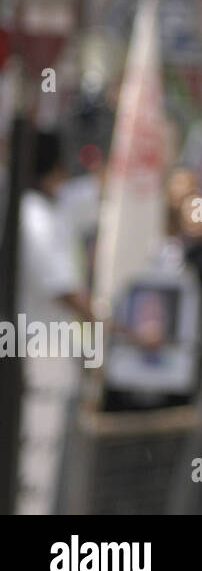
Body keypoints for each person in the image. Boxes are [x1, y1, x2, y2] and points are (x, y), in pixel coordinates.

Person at [16, 130, 96, 515]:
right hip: (37, 355)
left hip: (46, 354)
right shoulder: (34, 216)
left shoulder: (48, 210)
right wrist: (104, 320)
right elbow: (62, 286)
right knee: (35, 469)